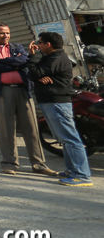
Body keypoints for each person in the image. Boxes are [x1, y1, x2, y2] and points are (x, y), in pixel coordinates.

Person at [0, 23, 56, 176]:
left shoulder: (17, 47)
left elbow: (26, 62)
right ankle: (9, 163)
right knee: (6, 129)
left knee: (32, 128)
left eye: (7, 32)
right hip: (1, 91)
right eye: (1, 33)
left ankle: (38, 164)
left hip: (23, 90)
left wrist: (3, 61)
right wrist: (15, 64)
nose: (5, 36)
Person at [29, 32, 93, 187]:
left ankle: (82, 175)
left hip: (57, 103)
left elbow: (34, 72)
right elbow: (38, 73)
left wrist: (31, 58)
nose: (39, 45)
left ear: (48, 44)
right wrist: (39, 75)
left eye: (41, 43)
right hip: (51, 102)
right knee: (64, 139)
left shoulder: (56, 58)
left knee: (70, 139)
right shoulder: (51, 57)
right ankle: (72, 170)